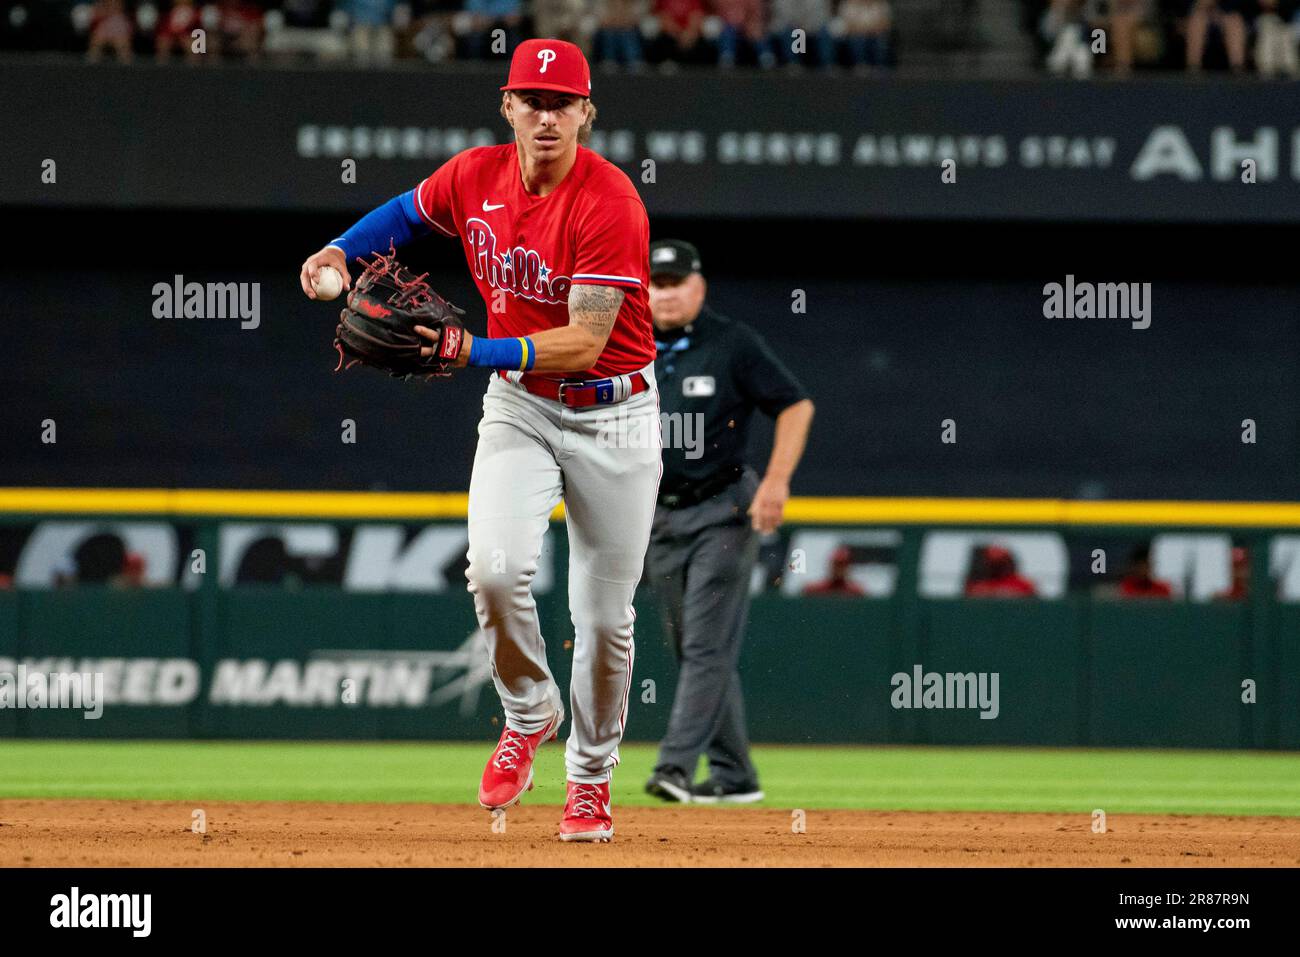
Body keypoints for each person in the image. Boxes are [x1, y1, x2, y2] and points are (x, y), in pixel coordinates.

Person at [299, 39, 658, 843]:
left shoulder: (610, 201)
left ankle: (591, 783)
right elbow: (404, 212)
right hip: (521, 406)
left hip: (615, 413)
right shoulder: (473, 176)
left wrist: (472, 350)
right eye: (531, 98)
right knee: (493, 571)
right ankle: (528, 711)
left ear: (586, 115)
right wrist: (340, 249)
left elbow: (584, 342)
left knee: (603, 617)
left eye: (562, 102)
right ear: (507, 106)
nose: (545, 114)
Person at [641, 239, 814, 805]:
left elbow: (794, 403)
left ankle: (673, 767)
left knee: (706, 649)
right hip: (658, 516)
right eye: (657, 282)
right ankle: (736, 777)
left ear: (699, 286)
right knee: (691, 646)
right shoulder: (624, 342)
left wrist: (778, 480)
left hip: (723, 511)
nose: (666, 293)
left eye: (676, 282)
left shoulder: (731, 343)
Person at [964, 545, 1036, 598]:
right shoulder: (978, 586)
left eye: (1001, 562)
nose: (997, 566)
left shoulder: (1024, 584)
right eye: (993, 563)